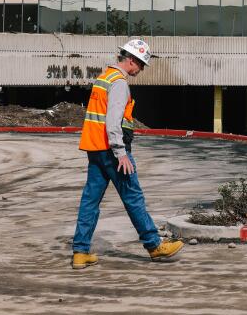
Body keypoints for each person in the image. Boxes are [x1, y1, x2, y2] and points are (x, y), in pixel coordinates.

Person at [71, 39, 183, 270]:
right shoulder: (119, 83)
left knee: (89, 202)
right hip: (113, 152)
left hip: (95, 150)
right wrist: (120, 152)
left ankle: (80, 252)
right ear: (131, 60)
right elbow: (113, 122)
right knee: (133, 198)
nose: (140, 70)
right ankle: (154, 245)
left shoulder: (103, 78)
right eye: (140, 65)